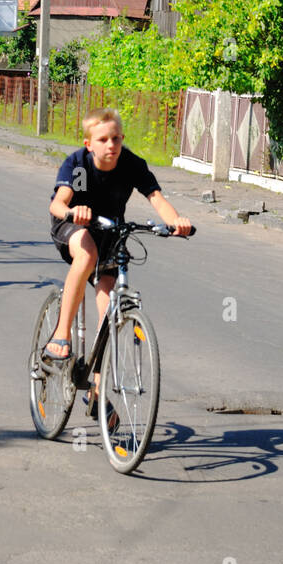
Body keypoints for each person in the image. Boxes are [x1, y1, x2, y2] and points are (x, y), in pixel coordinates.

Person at [44, 108, 192, 402]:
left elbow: (156, 198)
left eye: (115, 138)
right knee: (86, 254)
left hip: (111, 232)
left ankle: (98, 394)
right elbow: (58, 204)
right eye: (102, 139)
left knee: (108, 311)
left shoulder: (131, 164)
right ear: (89, 144)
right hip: (73, 226)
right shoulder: (80, 165)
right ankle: (62, 333)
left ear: (122, 139)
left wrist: (177, 222)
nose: (110, 145)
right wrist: (75, 211)